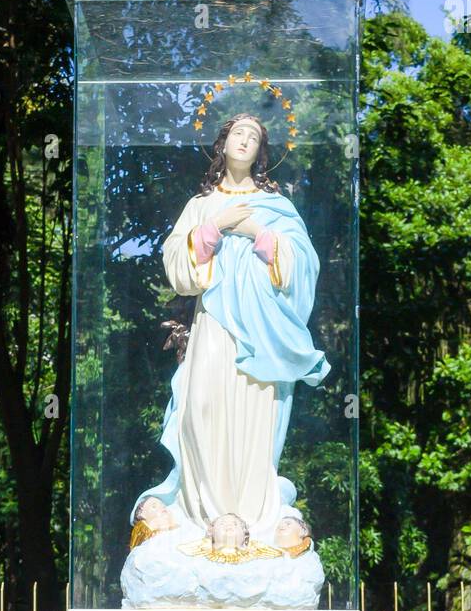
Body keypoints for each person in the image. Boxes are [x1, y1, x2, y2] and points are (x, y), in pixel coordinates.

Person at [131, 111, 329, 544]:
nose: (244, 141)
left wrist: (256, 229)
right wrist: (216, 226)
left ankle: (246, 519)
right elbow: (176, 267)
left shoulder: (277, 207)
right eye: (237, 133)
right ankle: (201, 511)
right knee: (199, 406)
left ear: (261, 152)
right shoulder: (200, 205)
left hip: (260, 331)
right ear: (222, 144)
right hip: (213, 327)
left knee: (253, 414)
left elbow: (302, 266)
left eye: (253, 137)